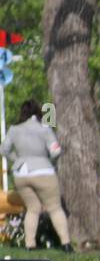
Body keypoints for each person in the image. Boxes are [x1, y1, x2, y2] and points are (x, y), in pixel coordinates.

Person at [0, 99, 73, 252]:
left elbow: (4, 150)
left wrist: (18, 160)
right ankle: (66, 244)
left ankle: (29, 245)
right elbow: (55, 150)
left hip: (21, 173)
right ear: (38, 112)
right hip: (43, 170)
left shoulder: (14, 129)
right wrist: (51, 159)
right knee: (55, 208)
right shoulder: (44, 128)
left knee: (32, 209)